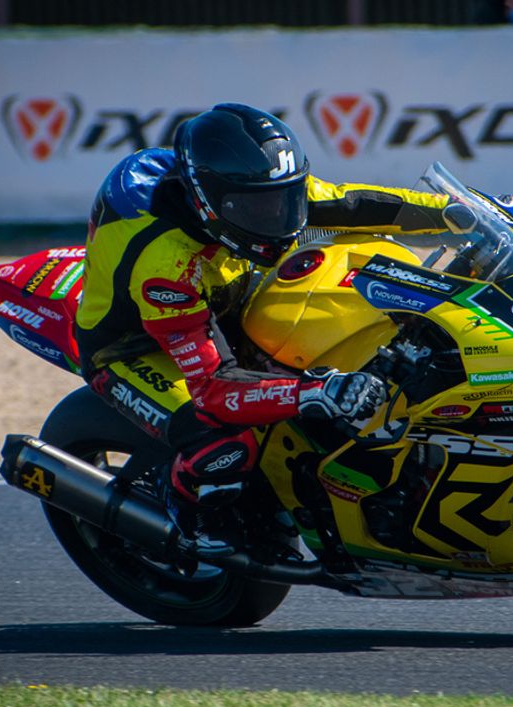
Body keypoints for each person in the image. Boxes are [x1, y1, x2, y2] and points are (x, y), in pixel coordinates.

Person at [76, 103, 449, 557]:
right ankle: (189, 511)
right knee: (225, 442)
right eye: (258, 208)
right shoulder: (167, 267)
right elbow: (214, 390)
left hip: (220, 301)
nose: (280, 219)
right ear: (206, 201)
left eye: (286, 199)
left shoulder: (258, 189)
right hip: (134, 349)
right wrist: (316, 392)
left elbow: (355, 203)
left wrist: (458, 213)